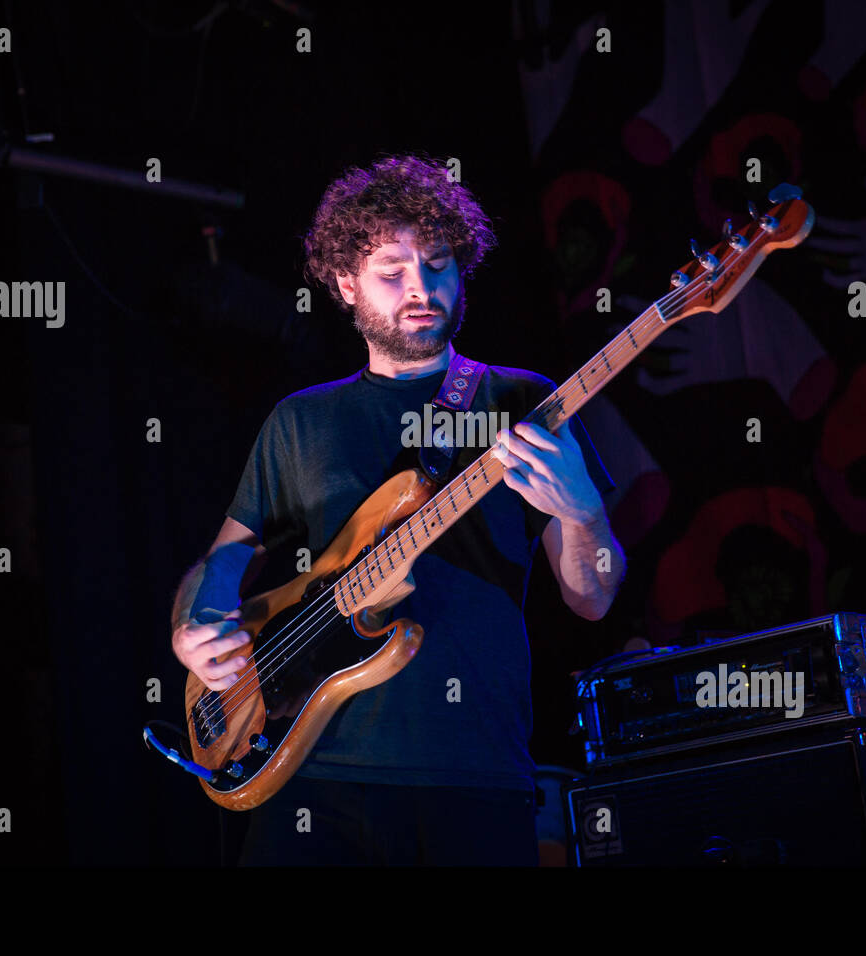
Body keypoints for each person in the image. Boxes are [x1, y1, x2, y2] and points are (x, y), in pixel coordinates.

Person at [170, 154, 625, 865]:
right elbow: (225, 557)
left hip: (473, 774)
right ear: (345, 284)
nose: (421, 287)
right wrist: (194, 623)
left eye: (439, 264)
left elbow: (594, 599)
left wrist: (584, 514)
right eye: (392, 271)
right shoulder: (300, 420)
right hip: (309, 769)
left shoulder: (520, 401)